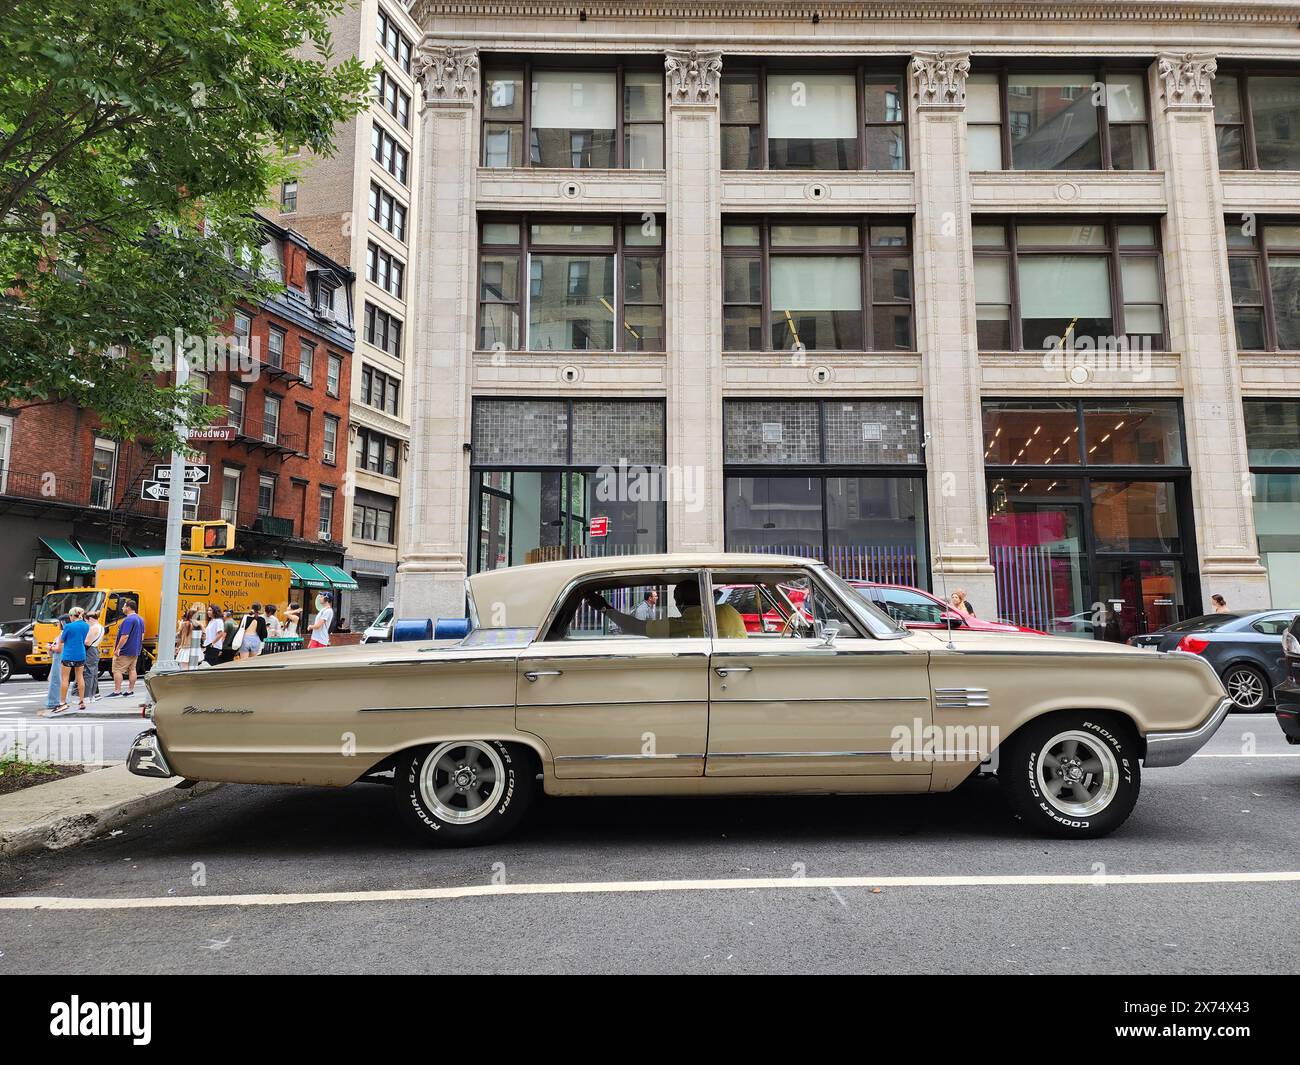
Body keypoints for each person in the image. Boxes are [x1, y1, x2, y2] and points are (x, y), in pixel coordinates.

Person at [584, 579, 747, 639]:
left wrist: (604, 607)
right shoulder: (729, 611)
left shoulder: (680, 624)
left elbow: (634, 626)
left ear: (680, 603)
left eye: (676, 600)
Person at [53, 605, 90, 714]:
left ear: (72, 616)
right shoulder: (86, 626)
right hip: (81, 654)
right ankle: (82, 701)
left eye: (70, 616)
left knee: (65, 678)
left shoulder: (68, 626)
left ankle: (62, 703)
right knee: (80, 677)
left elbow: (62, 640)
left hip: (69, 654)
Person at [108, 598, 144, 698]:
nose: (123, 608)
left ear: (128, 607)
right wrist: (138, 645)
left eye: (124, 606)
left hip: (125, 650)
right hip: (135, 649)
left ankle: (117, 691)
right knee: (132, 670)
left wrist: (118, 648)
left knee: (117, 670)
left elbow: (125, 636)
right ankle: (130, 690)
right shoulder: (140, 619)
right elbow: (142, 635)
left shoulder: (128, 620)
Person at [42, 615, 66, 714]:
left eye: (58, 622)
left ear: (62, 623)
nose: (57, 624)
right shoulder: (66, 632)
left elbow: (59, 649)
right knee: (58, 679)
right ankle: (59, 700)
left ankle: (54, 701)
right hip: (63, 657)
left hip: (58, 658)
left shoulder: (62, 633)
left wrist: (49, 647)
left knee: (56, 680)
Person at [83, 610, 104, 701]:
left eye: (86, 620)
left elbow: (87, 642)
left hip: (90, 650)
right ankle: (95, 695)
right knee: (94, 673)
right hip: (95, 649)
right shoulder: (101, 627)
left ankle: (87, 697)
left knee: (88, 673)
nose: (86, 623)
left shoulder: (93, 628)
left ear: (90, 619)